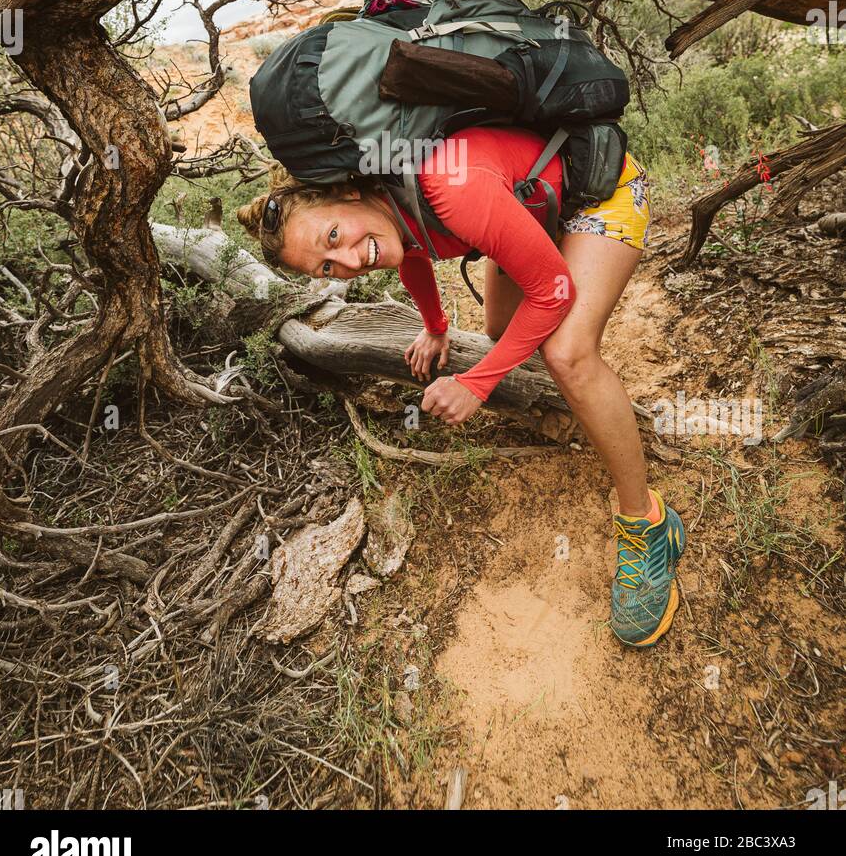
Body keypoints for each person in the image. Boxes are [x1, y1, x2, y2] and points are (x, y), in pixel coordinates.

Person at [237, 125, 685, 647]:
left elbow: (555, 293)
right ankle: (575, 385)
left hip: (602, 194)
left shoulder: (449, 189)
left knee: (567, 353)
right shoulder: (394, 202)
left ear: (347, 192)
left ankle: (647, 523)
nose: (352, 261)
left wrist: (476, 382)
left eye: (333, 237)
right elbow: (414, 254)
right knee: (501, 328)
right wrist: (434, 326)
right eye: (329, 266)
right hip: (537, 204)